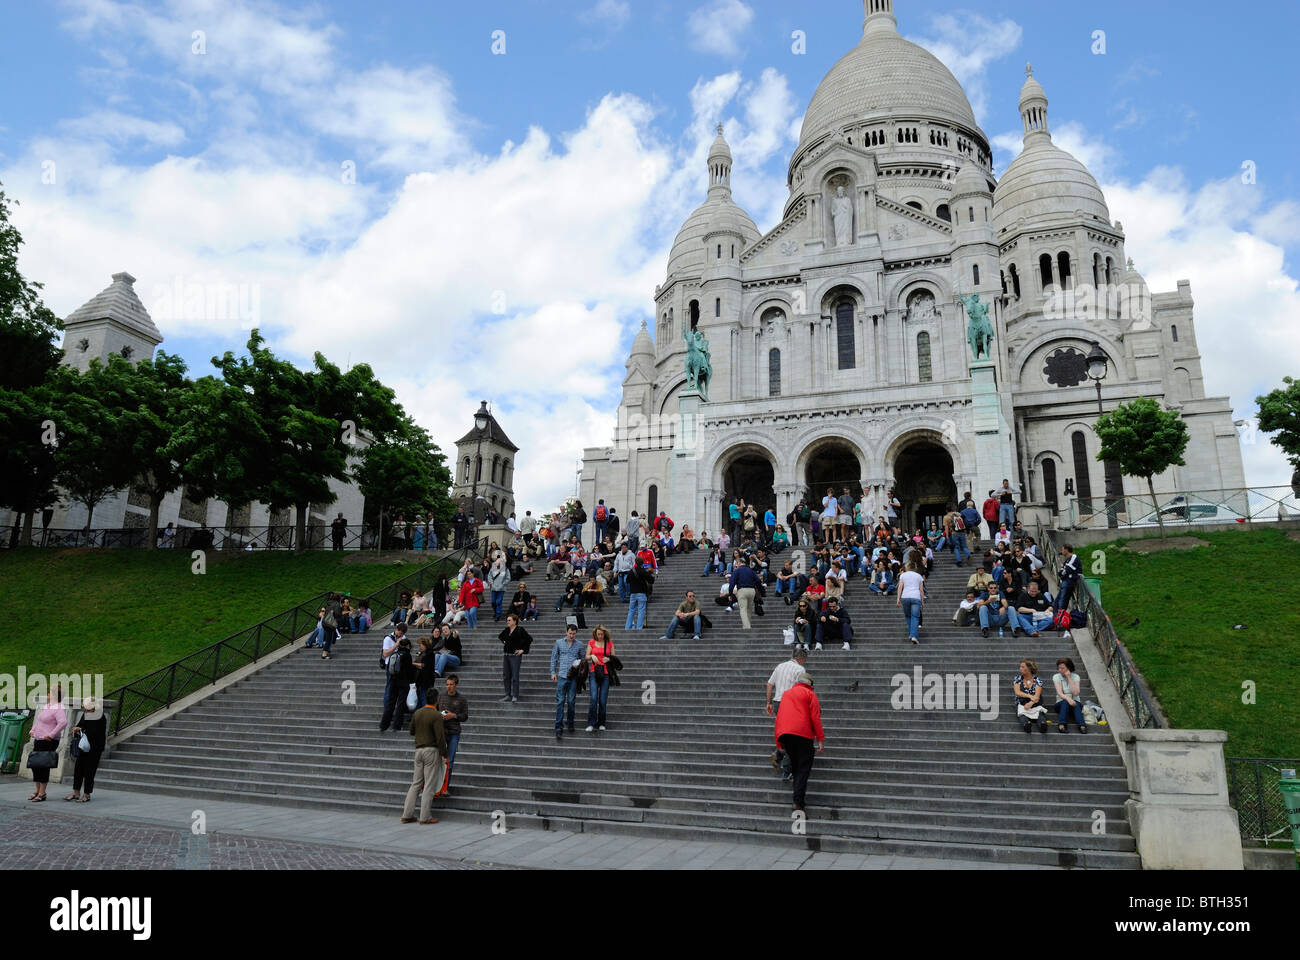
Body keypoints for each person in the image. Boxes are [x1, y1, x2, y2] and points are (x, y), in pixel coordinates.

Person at [775, 673, 824, 812]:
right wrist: (820, 739)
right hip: (804, 735)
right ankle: (798, 802)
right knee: (803, 769)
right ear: (810, 685)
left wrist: (778, 742)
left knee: (796, 768)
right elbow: (815, 717)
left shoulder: (786, 694)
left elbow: (779, 718)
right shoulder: (810, 694)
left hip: (786, 735)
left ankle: (798, 800)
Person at [400, 698, 447, 825]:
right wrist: (444, 753)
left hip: (418, 750)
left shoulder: (417, 712)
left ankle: (407, 814)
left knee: (416, 784)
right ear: (436, 701)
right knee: (429, 784)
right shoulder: (436, 715)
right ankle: (425, 817)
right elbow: (440, 737)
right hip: (431, 751)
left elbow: (411, 731)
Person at [765, 646, 809, 778]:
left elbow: (769, 684)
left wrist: (769, 702)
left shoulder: (780, 666)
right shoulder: (800, 669)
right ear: (801, 658)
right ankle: (787, 770)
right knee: (792, 736)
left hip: (778, 702)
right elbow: (801, 689)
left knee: (785, 733)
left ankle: (779, 754)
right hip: (791, 704)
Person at [26, 685, 67, 802]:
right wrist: (32, 730)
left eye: (49, 692)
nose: (48, 694)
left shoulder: (59, 708)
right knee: (35, 765)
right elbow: (39, 720)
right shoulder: (48, 706)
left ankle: (42, 793)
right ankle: (37, 790)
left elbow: (63, 722)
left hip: (48, 741)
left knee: (43, 766)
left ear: (54, 695)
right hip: (39, 739)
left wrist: (52, 734)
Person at [65, 695, 106, 802]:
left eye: (87, 708)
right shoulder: (86, 714)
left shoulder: (99, 716)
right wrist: (76, 729)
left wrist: (81, 729)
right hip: (83, 747)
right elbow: (81, 725)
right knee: (78, 769)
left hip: (94, 748)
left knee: (89, 771)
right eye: (84, 708)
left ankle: (87, 794)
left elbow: (94, 732)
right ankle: (76, 792)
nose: (85, 710)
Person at [549, 624, 587, 739]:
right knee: (560, 701)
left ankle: (570, 722)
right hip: (561, 675)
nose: (572, 635)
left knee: (571, 701)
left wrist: (579, 663)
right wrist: (552, 672)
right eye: (570, 633)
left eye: (574, 634)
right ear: (566, 632)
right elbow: (554, 658)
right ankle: (558, 727)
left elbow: (584, 659)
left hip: (573, 677)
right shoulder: (559, 642)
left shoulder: (580, 645)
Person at [433, 674, 468, 787]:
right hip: (441, 731)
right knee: (437, 759)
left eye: (451, 685)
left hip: (454, 732)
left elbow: (465, 716)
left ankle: (445, 786)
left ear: (456, 685)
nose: (449, 687)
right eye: (447, 684)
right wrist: (440, 715)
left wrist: (454, 716)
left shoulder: (462, 699)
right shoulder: (441, 696)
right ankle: (436, 785)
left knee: (450, 761)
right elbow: (434, 711)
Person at [380, 635, 415, 732]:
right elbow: (409, 671)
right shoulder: (407, 655)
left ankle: (384, 725)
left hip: (393, 681)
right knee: (400, 704)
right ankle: (396, 725)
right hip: (403, 682)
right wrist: (412, 682)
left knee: (391, 703)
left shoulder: (394, 654)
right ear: (408, 646)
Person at [584, 625, 616, 732]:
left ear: (604, 633)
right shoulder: (591, 642)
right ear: (595, 634)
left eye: (602, 634)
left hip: (606, 673)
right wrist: (591, 656)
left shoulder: (609, 643)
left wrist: (609, 659)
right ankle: (591, 723)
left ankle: (602, 722)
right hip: (594, 672)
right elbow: (586, 656)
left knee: (602, 700)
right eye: (598, 634)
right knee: (593, 698)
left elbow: (614, 658)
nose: (600, 636)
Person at [498, 613, 533, 702]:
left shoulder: (520, 630)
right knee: (506, 676)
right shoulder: (506, 630)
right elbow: (500, 637)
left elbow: (529, 639)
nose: (507, 622)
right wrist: (505, 641)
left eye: (509, 620)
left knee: (515, 676)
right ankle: (507, 695)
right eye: (507, 620)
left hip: (515, 657)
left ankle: (515, 695)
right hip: (506, 655)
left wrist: (523, 650)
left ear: (515, 621)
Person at [1053, 658, 1087, 733]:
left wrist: (1069, 677)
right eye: (1059, 668)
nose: (1060, 670)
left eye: (1062, 668)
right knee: (1065, 702)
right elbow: (1060, 693)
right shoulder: (1056, 677)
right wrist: (1069, 699)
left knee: (1076, 704)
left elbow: (1076, 693)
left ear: (1069, 668)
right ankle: (1061, 725)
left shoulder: (1076, 677)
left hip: (1075, 704)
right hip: (1060, 704)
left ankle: (1082, 726)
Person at [1014, 659, 1048, 734]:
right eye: (1020, 667)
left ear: (1029, 669)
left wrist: (1031, 703)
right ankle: (1026, 724)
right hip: (1021, 702)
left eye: (1023, 667)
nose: (1020, 669)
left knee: (1040, 713)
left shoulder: (1037, 680)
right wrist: (1029, 696)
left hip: (1035, 703)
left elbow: (1037, 696)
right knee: (1022, 714)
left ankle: (1043, 724)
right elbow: (1017, 692)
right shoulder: (1018, 679)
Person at [728, 558, 764, 629]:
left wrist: (730, 594)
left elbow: (732, 583)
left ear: (739, 563)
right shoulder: (751, 570)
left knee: (743, 609)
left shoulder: (737, 571)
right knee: (749, 609)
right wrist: (759, 590)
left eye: (736, 563)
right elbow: (758, 580)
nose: (736, 565)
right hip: (752, 590)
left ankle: (747, 627)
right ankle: (746, 625)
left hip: (742, 590)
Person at [897, 562, 926, 644]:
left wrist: (898, 598)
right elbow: (921, 590)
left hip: (905, 596)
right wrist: (922, 601)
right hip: (916, 597)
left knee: (908, 616)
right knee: (915, 617)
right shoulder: (919, 576)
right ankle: (913, 635)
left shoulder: (903, 575)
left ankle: (911, 633)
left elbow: (900, 587)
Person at [624, 562, 652, 630]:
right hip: (641, 593)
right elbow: (651, 580)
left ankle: (627, 627)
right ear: (642, 563)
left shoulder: (631, 571)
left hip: (633, 593)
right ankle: (639, 627)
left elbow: (627, 581)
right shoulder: (643, 571)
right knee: (641, 610)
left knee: (631, 610)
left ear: (636, 562)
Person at [1055, 544, 1083, 612]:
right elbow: (1061, 572)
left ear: (1066, 550)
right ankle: (1056, 618)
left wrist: (1063, 570)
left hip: (1069, 582)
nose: (1061, 551)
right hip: (1065, 581)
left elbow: (1067, 570)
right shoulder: (1067, 560)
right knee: (1057, 602)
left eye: (1062, 549)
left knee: (1062, 602)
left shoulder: (1074, 557)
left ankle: (1060, 619)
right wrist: (1063, 571)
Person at [487, 557, 511, 621]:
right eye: (497, 561)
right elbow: (489, 576)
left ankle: (498, 615)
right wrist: (492, 583)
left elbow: (508, 578)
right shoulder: (492, 569)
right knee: (493, 602)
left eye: (499, 561)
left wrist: (503, 583)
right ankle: (495, 612)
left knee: (498, 602)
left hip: (501, 588)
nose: (497, 563)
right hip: (494, 588)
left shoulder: (505, 569)